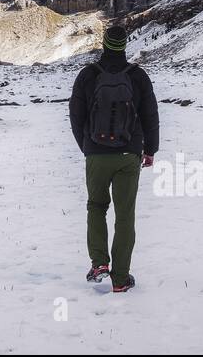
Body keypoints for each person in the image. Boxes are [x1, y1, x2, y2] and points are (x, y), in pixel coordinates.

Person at [68, 24, 159, 292]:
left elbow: (76, 114)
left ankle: (99, 263)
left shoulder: (88, 75)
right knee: (125, 215)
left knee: (96, 206)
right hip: (128, 153)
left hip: (96, 153)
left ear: (104, 44)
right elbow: (150, 115)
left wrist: (86, 146)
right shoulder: (138, 76)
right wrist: (150, 149)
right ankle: (120, 280)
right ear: (125, 46)